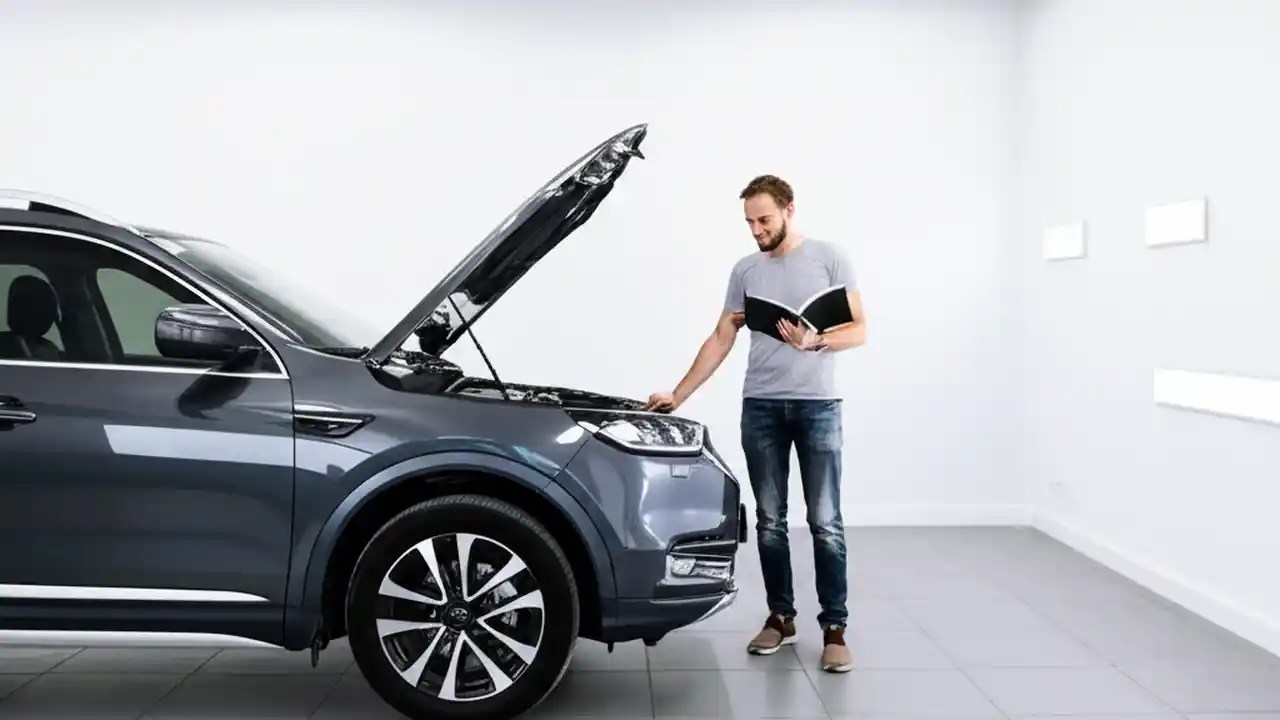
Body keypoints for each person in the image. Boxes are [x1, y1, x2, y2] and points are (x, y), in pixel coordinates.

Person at [645, 174, 867, 673]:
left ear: (789, 210)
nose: (755, 230)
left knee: (825, 522)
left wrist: (817, 341)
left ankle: (834, 627)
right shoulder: (746, 269)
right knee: (769, 522)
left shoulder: (830, 258)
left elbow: (861, 329)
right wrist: (678, 395)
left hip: (817, 406)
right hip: (762, 407)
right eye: (749, 221)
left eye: (763, 219)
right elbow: (721, 337)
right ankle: (780, 618)